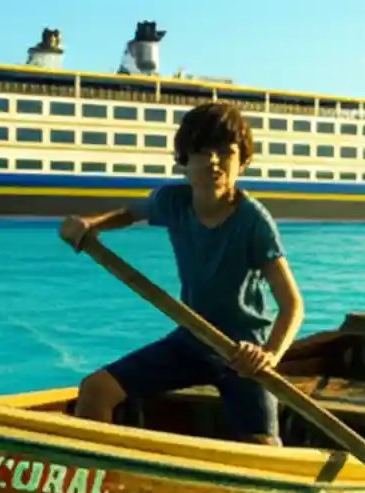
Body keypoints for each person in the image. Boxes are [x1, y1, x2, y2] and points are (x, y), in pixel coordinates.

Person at [58, 101, 304, 446]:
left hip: (240, 352)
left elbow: (292, 305)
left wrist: (268, 356)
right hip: (191, 340)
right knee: (95, 390)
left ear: (243, 162)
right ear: (184, 161)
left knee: (266, 450)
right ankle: (109, 482)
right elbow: (130, 213)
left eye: (226, 152)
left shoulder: (254, 222)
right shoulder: (173, 202)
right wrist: (90, 225)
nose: (214, 161)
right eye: (203, 152)